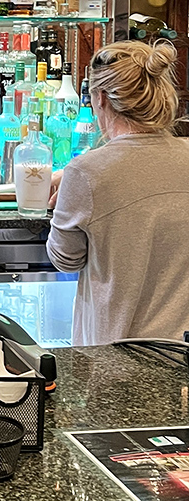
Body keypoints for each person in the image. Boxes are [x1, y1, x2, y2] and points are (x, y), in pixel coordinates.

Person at [46, 40, 189, 345]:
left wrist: (66, 201)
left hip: (115, 355)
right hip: (182, 355)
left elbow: (66, 259)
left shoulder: (86, 172)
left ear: (101, 99)